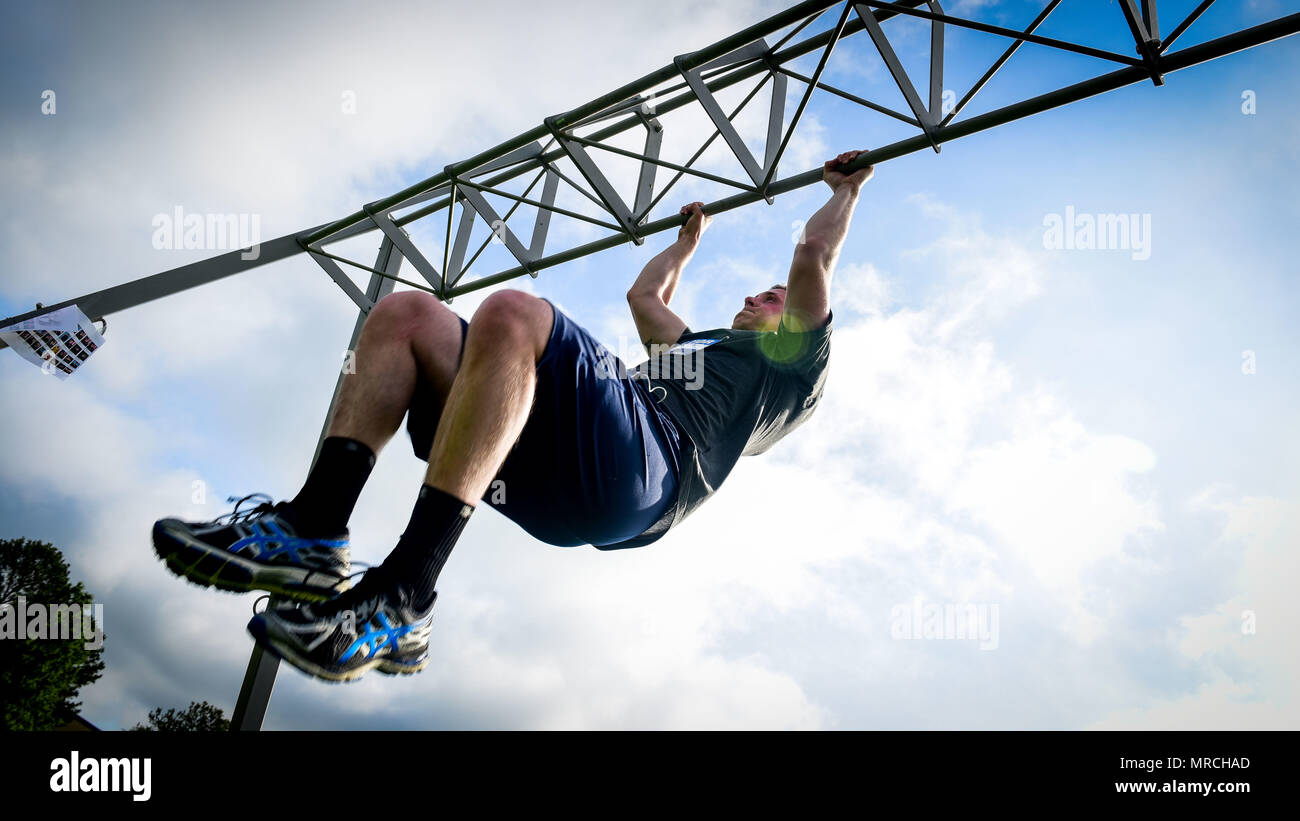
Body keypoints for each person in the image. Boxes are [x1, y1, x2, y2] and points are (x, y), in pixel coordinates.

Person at [151, 149, 875, 682]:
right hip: (551, 480)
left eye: (773, 296)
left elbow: (814, 251)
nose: (758, 296)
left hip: (647, 473)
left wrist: (844, 193)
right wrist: (684, 248)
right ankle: (314, 528)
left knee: (514, 311)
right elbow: (644, 302)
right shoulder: (703, 351)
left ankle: (407, 587)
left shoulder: (789, 369)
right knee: (406, 314)